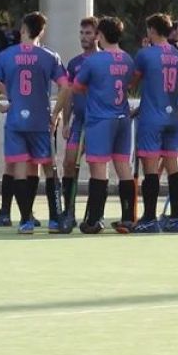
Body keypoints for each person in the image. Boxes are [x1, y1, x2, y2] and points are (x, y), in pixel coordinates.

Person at [0, 11, 71, 234]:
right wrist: (56, 112)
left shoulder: (6, 56)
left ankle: (25, 221)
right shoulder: (49, 56)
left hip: (16, 121)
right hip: (41, 121)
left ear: (23, 30)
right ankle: (54, 219)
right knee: (48, 169)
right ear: (41, 32)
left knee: (21, 167)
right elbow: (66, 87)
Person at [73, 16, 136, 234]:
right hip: (122, 118)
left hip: (101, 119)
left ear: (100, 35)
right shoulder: (128, 59)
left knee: (98, 168)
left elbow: (78, 86)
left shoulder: (94, 60)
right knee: (123, 166)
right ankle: (128, 217)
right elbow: (130, 83)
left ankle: (95, 219)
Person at [129, 13, 178, 233]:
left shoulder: (146, 54)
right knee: (174, 167)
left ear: (152, 30)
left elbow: (132, 83)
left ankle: (150, 218)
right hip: (173, 116)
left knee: (150, 169)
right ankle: (176, 218)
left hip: (152, 117)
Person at [60, 16, 99, 218]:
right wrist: (66, 121)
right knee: (68, 162)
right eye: (82, 33)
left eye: (88, 33)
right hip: (79, 122)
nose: (84, 37)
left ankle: (93, 212)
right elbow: (68, 94)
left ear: (97, 35)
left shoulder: (103, 60)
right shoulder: (74, 63)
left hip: (98, 123)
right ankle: (69, 209)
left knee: (96, 167)